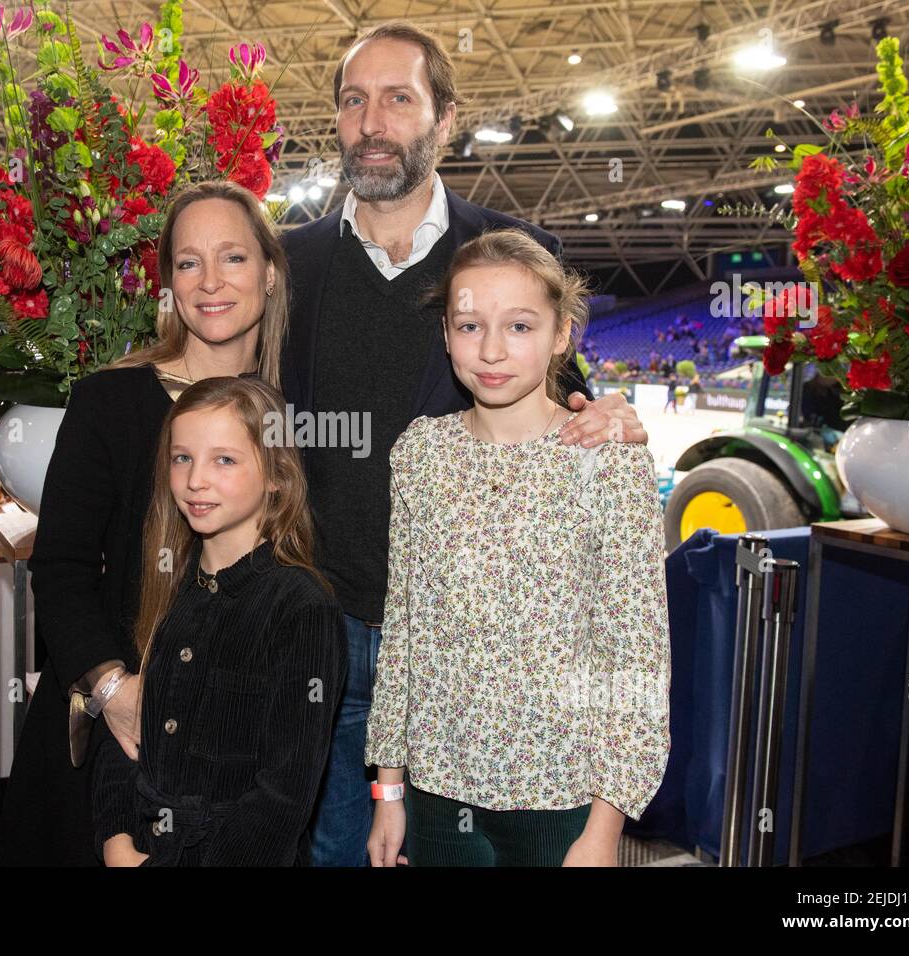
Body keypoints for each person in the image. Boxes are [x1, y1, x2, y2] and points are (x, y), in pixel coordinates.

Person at [282, 20, 649, 866]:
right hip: (321, 623)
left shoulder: (515, 254)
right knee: (339, 851)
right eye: (352, 101)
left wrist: (617, 416)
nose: (372, 122)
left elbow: (569, 394)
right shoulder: (290, 264)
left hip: (466, 660)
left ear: (444, 120)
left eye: (398, 99)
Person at [0, 180, 291, 865]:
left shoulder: (289, 412)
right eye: (189, 262)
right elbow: (61, 569)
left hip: (244, 740)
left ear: (270, 274)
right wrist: (112, 691)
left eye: (234, 259)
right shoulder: (110, 402)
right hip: (116, 730)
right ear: (168, 284)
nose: (211, 281)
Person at [365, 229, 670, 867]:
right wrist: (388, 789)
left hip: (564, 795)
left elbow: (636, 653)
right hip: (437, 791)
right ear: (446, 333)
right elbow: (403, 633)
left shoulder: (605, 458)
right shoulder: (419, 454)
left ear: (562, 334)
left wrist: (605, 828)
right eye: (470, 326)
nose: (493, 350)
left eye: (521, 327)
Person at [93, 376, 347, 866]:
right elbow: (125, 732)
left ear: (277, 475)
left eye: (224, 460)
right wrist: (117, 841)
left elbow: (283, 796)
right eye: (182, 457)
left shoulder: (302, 609)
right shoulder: (168, 580)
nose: (195, 480)